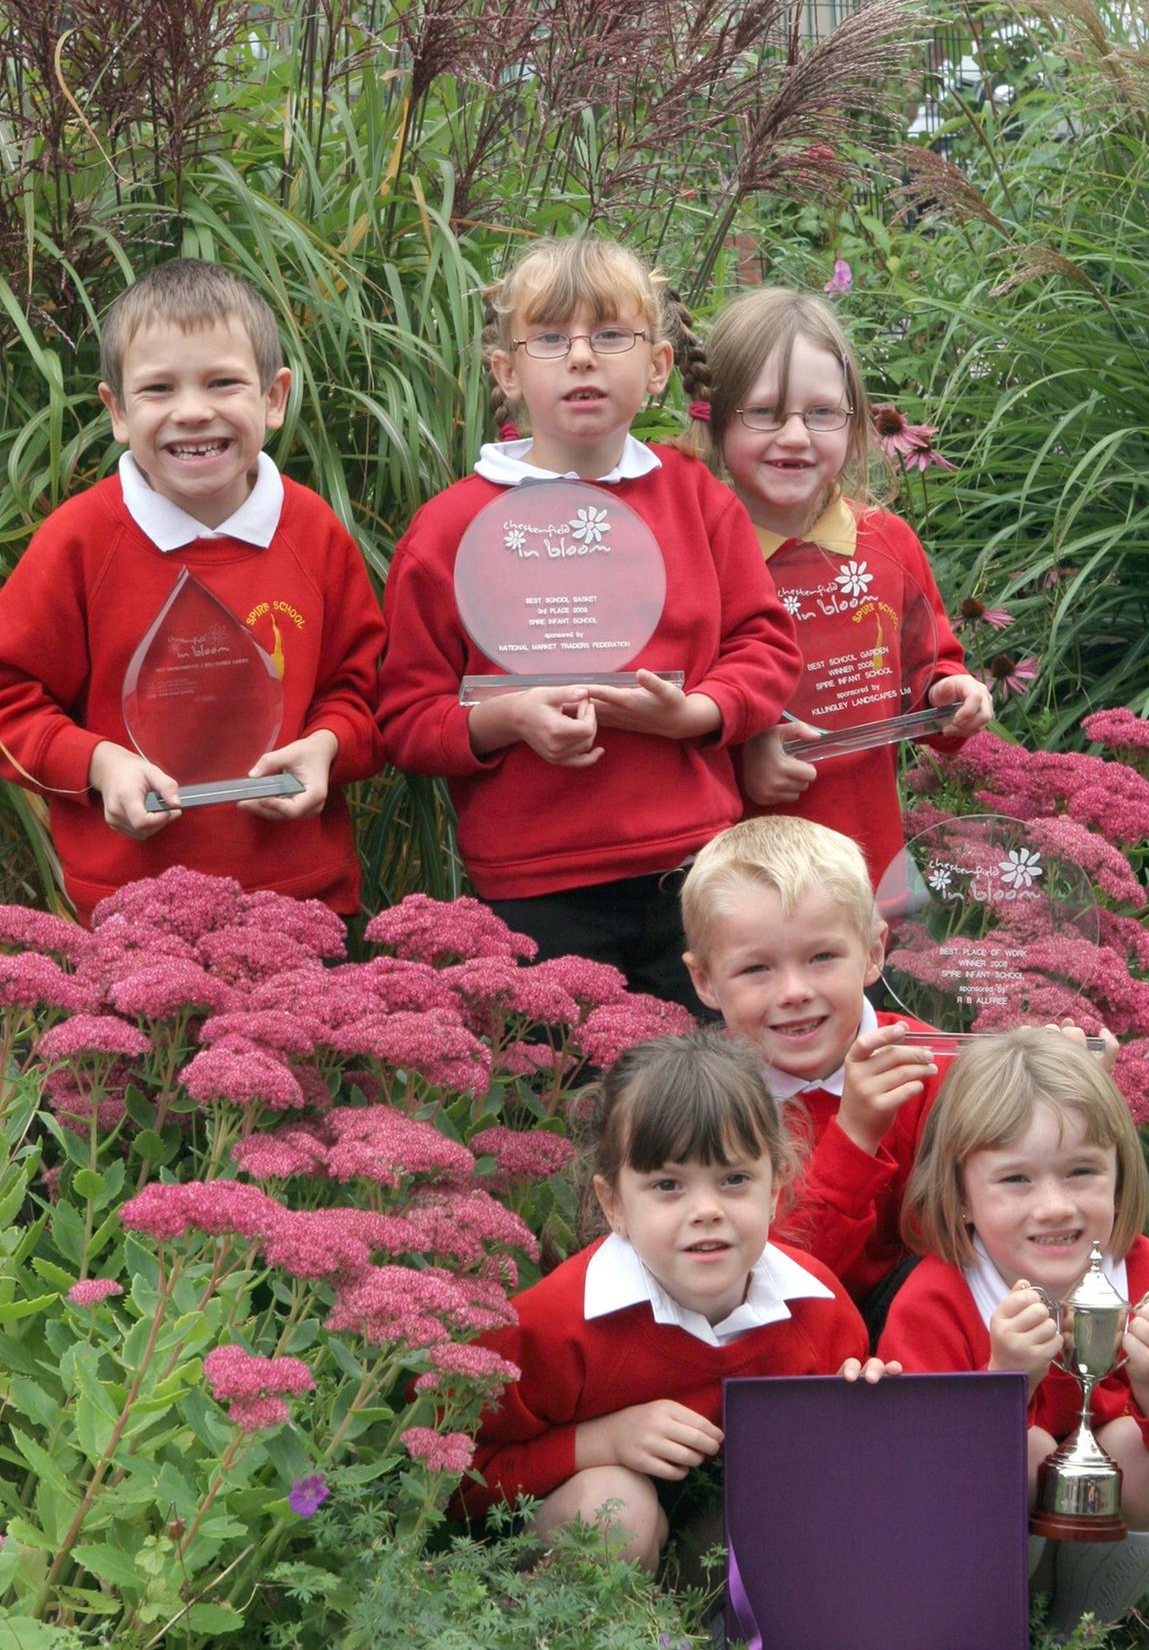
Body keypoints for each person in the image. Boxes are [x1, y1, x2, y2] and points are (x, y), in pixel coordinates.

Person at [377, 237, 801, 1008]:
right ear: (506, 373)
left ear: (658, 368)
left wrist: (698, 715)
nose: (581, 358)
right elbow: (405, 718)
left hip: (693, 866)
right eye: (548, 339)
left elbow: (764, 644)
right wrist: (502, 721)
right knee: (559, 1099)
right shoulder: (448, 530)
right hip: (535, 887)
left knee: (705, 1102)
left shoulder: (696, 500)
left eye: (611, 335)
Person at [0, 259, 385, 924]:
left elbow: (363, 692)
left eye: (222, 382)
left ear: (273, 396)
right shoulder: (80, 542)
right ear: (116, 411)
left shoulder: (314, 533)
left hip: (301, 903)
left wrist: (326, 748)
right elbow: (10, 699)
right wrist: (98, 764)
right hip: (128, 912)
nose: (192, 411)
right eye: (157, 389)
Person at [881, 1028, 1149, 1632]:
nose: (1055, 1207)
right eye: (1016, 1179)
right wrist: (1000, 1385)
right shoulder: (936, 1300)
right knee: (1027, 1451)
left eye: (1082, 1171)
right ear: (960, 1195)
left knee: (1135, 1451)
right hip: (957, 1576)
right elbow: (906, 1499)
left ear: (1120, 1175)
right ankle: (996, 1646)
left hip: (1106, 1549)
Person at [456, 1032, 878, 1571]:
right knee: (616, 1510)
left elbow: (851, 1469)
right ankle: (586, 1647)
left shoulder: (818, 1310)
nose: (706, 1210)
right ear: (614, 1205)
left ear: (775, 1190)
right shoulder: (555, 1323)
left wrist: (865, 1407)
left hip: (728, 1550)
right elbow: (455, 1477)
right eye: (667, 1186)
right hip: (581, 1535)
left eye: (734, 1179)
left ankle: (729, 1640)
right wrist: (602, 1441)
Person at [678, 286, 991, 887]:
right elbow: (672, 718)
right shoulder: (698, 560)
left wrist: (953, 697)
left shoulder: (887, 544)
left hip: (870, 860)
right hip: (743, 877)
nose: (794, 436)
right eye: (764, 412)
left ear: (853, 425)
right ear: (716, 421)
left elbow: (929, 671)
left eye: (821, 414)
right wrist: (744, 751)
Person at [681, 814, 946, 1319]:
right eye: (756, 968)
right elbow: (762, 1283)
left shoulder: (936, 1067)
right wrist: (854, 1136)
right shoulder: (701, 1102)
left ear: (872, 954)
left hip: (931, 1343)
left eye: (822, 956)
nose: (794, 993)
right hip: (777, 1343)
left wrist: (1067, 1095)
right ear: (705, 980)